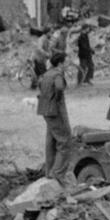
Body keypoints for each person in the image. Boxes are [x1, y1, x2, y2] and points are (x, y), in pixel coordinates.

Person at [37, 50, 72, 180]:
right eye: (66, 61)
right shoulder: (57, 75)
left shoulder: (47, 74)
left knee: (50, 141)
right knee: (65, 141)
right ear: (61, 63)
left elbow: (40, 85)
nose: (68, 63)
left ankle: (49, 172)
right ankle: (57, 173)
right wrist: (57, 99)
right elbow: (58, 88)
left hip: (45, 111)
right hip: (55, 111)